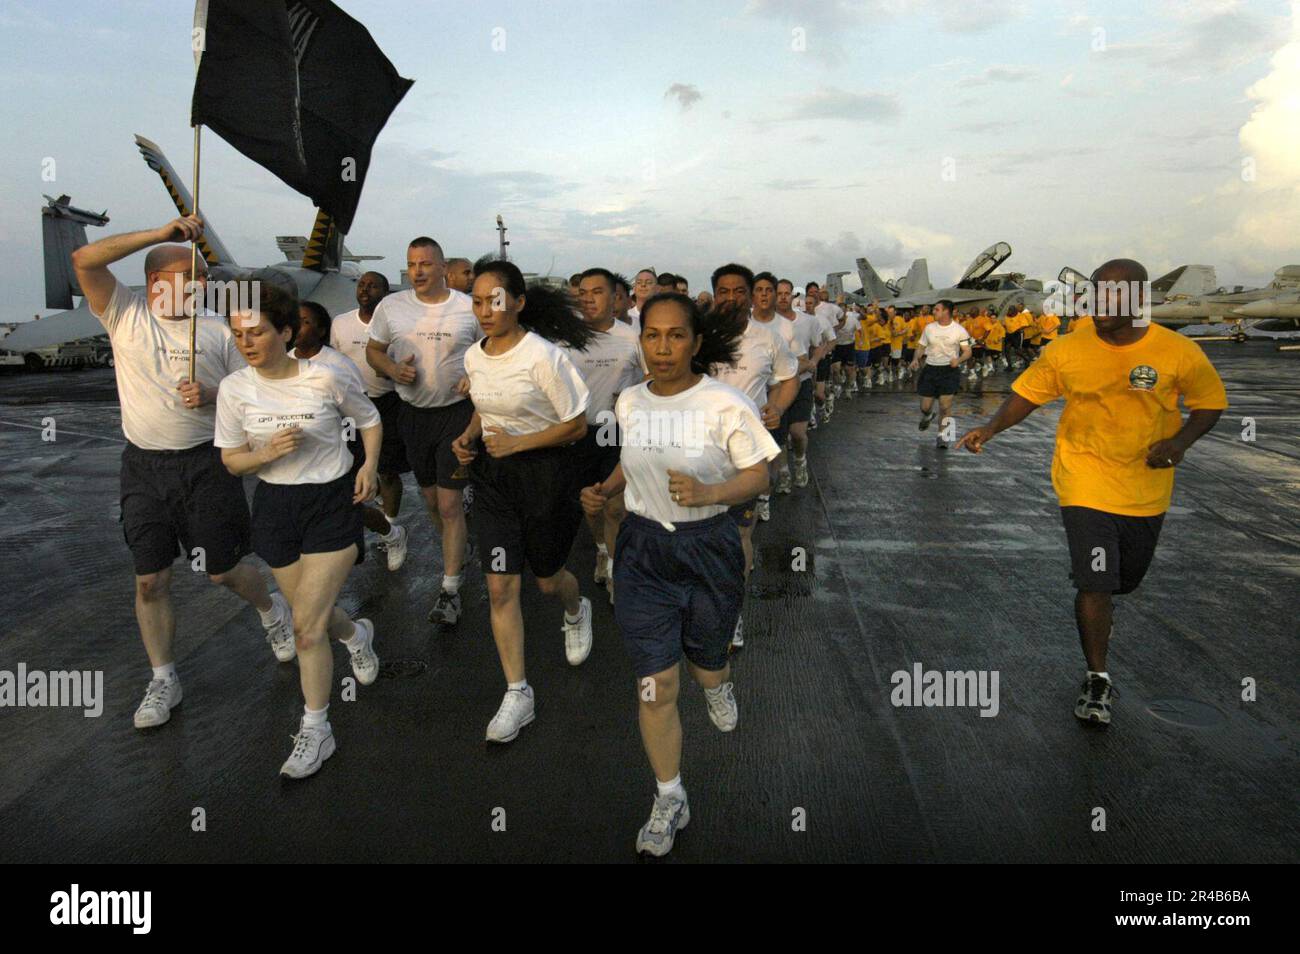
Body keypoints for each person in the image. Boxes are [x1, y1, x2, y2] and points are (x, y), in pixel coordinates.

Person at [956, 259, 1227, 727]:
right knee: (1095, 580)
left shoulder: (1178, 351)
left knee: (1126, 579)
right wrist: (991, 427)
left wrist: (1179, 442)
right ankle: (1097, 676)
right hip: (1083, 479)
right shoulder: (1067, 349)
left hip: (1145, 485)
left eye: (1114, 294)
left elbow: (1210, 404)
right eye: (1097, 293)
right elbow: (1027, 395)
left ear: (1138, 300)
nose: (1101, 303)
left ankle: (1103, 610)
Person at [70, 215, 295, 730]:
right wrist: (160, 235)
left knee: (221, 571)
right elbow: (84, 260)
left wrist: (214, 395)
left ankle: (270, 610)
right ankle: (164, 677)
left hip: (206, 464)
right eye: (189, 278)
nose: (200, 286)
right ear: (154, 284)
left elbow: (253, 397)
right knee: (150, 580)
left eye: (203, 279)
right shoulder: (123, 313)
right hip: (143, 467)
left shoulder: (216, 330)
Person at [580, 291, 779, 857]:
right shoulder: (631, 402)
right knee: (656, 683)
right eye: (651, 335)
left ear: (695, 342)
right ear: (640, 340)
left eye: (675, 336)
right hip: (643, 551)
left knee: (705, 662)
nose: (662, 348)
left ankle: (717, 680)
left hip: (710, 546)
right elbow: (629, 460)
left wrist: (711, 492)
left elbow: (759, 475)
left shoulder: (725, 403)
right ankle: (670, 794)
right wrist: (605, 490)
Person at [216, 282, 382, 778]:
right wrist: (263, 453)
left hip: (330, 502)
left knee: (306, 629)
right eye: (238, 333)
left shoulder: (326, 377)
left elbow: (369, 419)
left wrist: (369, 466)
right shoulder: (233, 389)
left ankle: (316, 729)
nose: (246, 342)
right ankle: (357, 634)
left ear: (285, 331)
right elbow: (230, 461)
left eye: (258, 332)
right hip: (274, 506)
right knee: (321, 617)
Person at [453, 261, 595, 742]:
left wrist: (520, 443)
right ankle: (518, 692)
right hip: (494, 481)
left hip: (546, 477)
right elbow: (482, 404)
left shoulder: (544, 358)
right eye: (476, 300)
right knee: (499, 588)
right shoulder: (474, 356)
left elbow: (577, 425)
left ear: (518, 303)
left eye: (495, 300)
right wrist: (469, 435)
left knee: (549, 582)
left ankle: (577, 610)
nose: (485, 310)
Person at [366, 237, 480, 626]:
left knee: (449, 504)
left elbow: (495, 347)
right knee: (430, 500)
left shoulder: (467, 307)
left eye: (426, 264)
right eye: (412, 264)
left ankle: (449, 589)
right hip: (412, 415)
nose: (417, 271)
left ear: (443, 267)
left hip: (456, 415)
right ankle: (456, 546)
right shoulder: (391, 307)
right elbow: (374, 351)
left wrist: (475, 376)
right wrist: (393, 369)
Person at [297, 300, 408, 570]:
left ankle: (392, 534)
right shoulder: (284, 361)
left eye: (306, 322)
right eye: (294, 320)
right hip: (301, 452)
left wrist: (361, 461)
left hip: (339, 448)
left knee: (349, 508)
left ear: (322, 329)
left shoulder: (338, 365)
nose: (298, 327)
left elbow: (361, 414)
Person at [330, 271, 412, 569]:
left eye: (373, 285)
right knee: (350, 472)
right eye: (362, 285)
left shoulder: (396, 325)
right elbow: (333, 362)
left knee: (388, 471)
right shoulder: (340, 322)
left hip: (387, 403)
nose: (365, 290)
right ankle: (371, 523)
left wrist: (391, 369)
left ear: (385, 291)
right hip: (351, 407)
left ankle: (391, 528)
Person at [572, 267, 645, 601]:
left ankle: (616, 568)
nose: (589, 298)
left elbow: (650, 379)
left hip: (617, 432)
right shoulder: (564, 337)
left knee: (616, 507)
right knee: (591, 504)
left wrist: (630, 398)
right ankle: (601, 548)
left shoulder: (632, 338)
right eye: (583, 292)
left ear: (615, 297)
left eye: (597, 292)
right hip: (578, 432)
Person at [772, 278, 821, 491]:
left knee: (798, 433)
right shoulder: (765, 324)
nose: (783, 297)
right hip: (776, 388)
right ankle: (783, 473)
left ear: (793, 296)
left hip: (800, 383)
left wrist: (811, 364)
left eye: (786, 293)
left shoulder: (802, 323)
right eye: (779, 293)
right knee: (780, 436)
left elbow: (809, 353)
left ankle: (800, 460)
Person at [909, 299, 971, 449]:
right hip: (930, 369)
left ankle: (944, 436)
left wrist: (959, 360)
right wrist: (915, 359)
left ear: (946, 312)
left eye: (936, 309)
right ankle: (928, 415)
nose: (933, 312)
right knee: (925, 406)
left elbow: (967, 351)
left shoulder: (959, 330)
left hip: (949, 370)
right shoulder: (929, 328)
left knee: (945, 406)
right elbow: (921, 346)